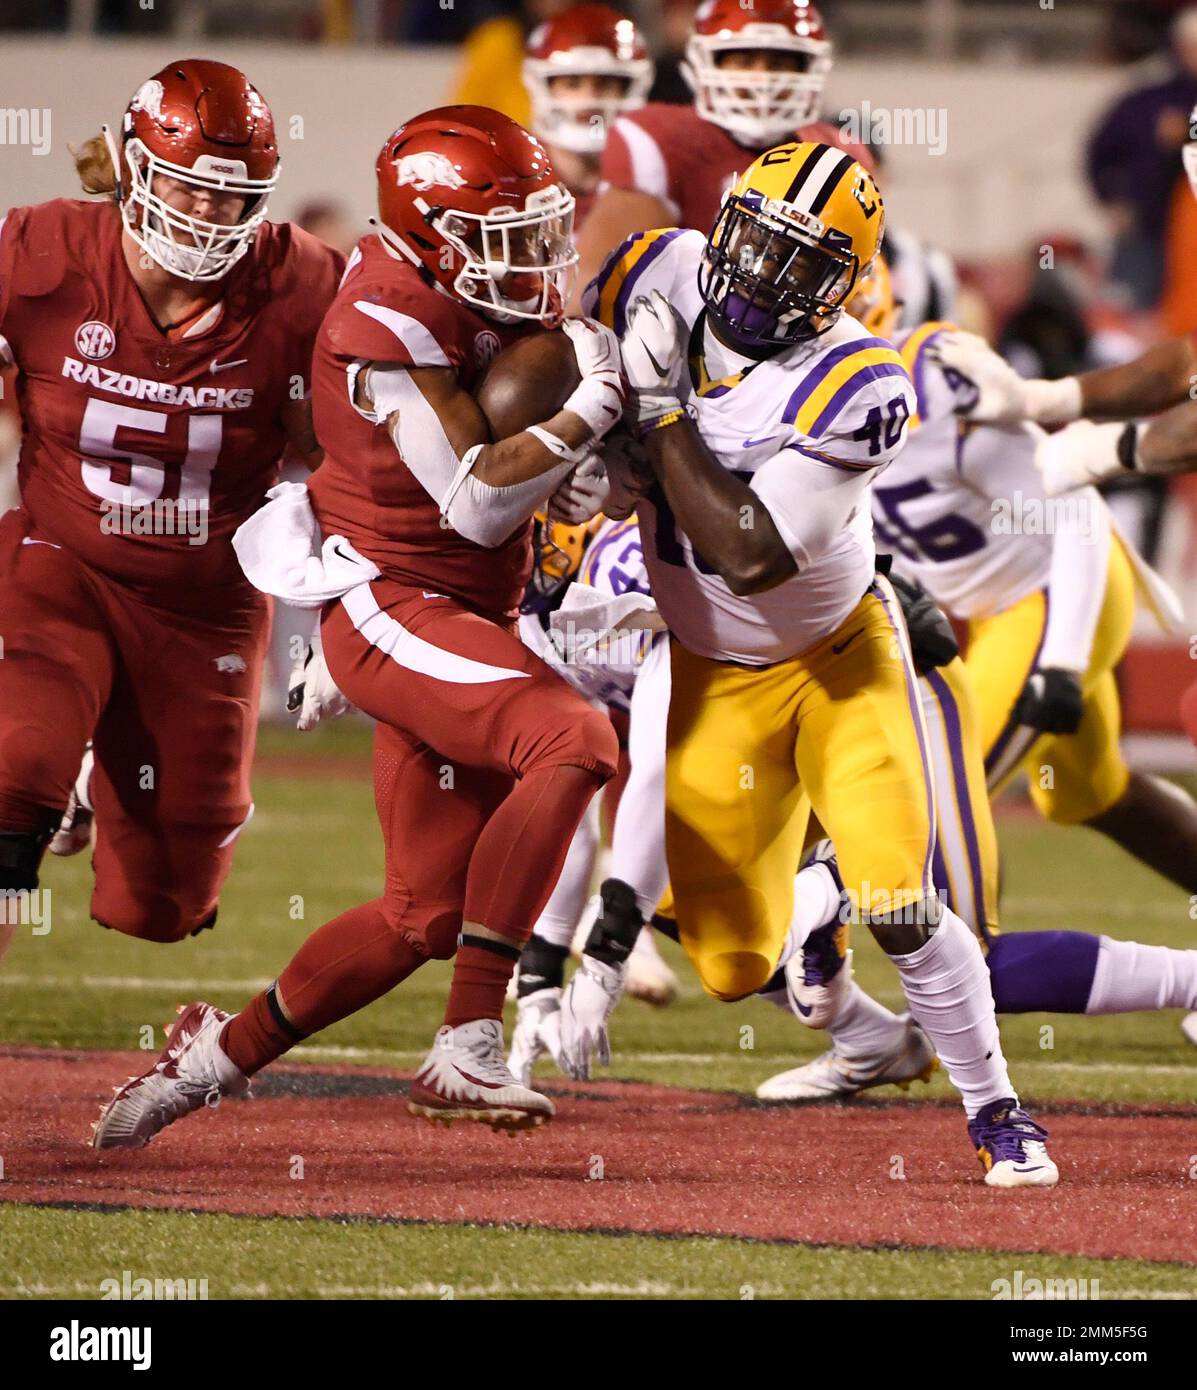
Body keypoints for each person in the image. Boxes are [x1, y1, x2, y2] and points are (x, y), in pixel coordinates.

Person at [92, 105, 626, 1148]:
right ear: (432, 230)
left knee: (420, 914)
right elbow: (473, 502)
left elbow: (511, 486)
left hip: (458, 611)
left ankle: (204, 1061)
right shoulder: (386, 314)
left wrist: (569, 472)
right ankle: (471, 1040)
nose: (534, 260)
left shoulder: (462, 299)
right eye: (504, 235)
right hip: (392, 604)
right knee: (575, 738)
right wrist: (589, 408)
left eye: (538, 231)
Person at [575, 141, 1058, 1187]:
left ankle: (1000, 1112)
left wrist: (656, 416)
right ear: (725, 222)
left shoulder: (857, 377)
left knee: (901, 894)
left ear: (841, 283)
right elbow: (557, 358)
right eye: (754, 243)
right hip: (711, 675)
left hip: (838, 660)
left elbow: (747, 552)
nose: (760, 277)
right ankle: (839, 958)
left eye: (801, 264)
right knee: (729, 961)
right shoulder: (651, 268)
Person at [0, 59, 343, 961]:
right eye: (190, 191)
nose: (211, 217)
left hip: (206, 603)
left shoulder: (302, 288)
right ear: (135, 171)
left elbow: (352, 466)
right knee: (10, 777)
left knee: (161, 909)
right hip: (58, 562)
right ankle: (51, 774)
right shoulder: (41, 251)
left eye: (235, 199)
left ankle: (98, 783)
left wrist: (348, 624)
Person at [572, 0, 866, 298]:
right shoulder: (660, 140)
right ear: (704, 62)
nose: (762, 80)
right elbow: (597, 286)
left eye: (780, 62)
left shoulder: (836, 154)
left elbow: (861, 283)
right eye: (744, 61)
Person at [522, 3, 654, 228]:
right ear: (541, 85)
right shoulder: (517, 176)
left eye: (604, 83)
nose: (589, 98)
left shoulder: (653, 176)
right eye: (572, 83)